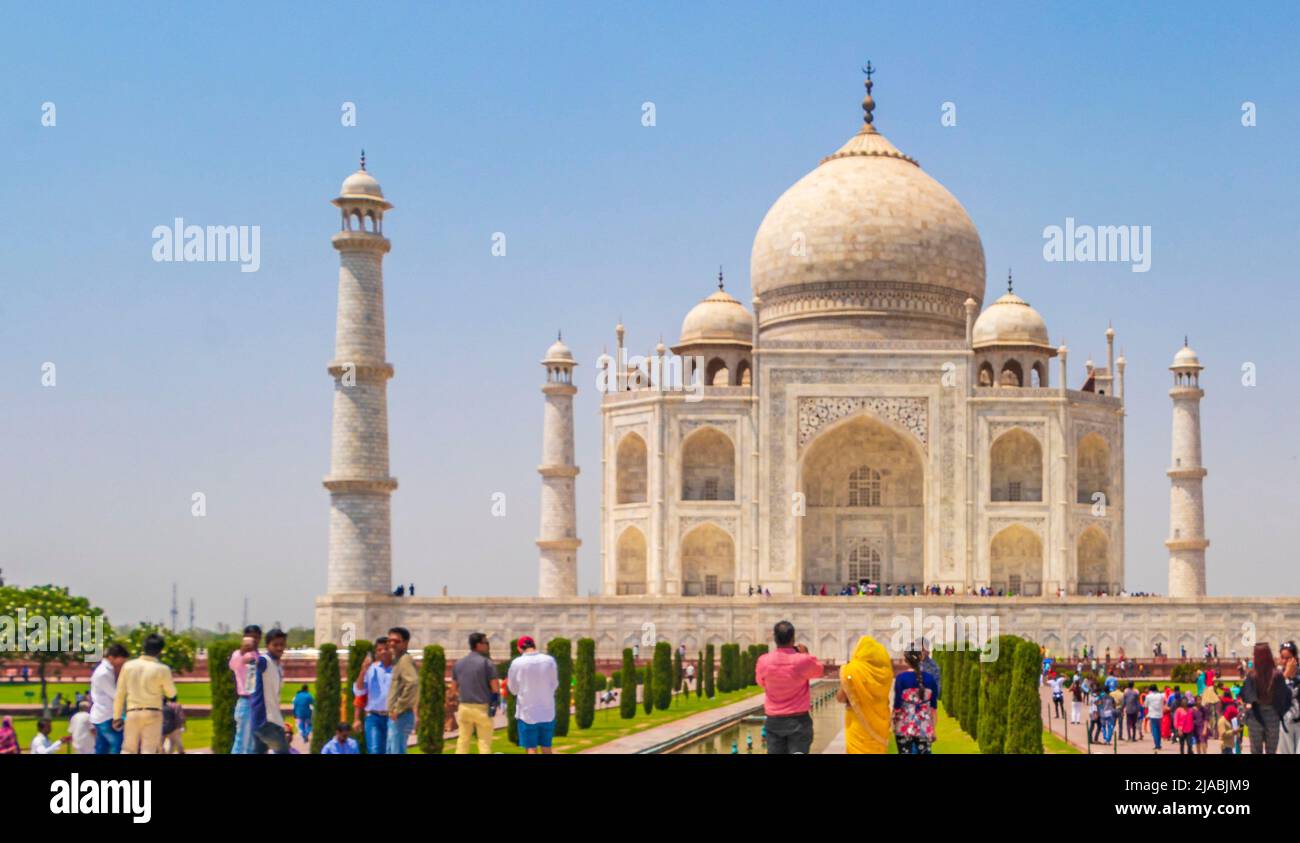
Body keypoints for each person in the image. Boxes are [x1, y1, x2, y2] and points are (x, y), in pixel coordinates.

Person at [754, 621, 823, 754]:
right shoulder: (802, 660)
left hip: (774, 721)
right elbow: (819, 670)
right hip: (799, 722)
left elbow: (761, 682)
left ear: (775, 639)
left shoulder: (764, 661)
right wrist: (805, 655)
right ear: (793, 638)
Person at [113, 633, 178, 754]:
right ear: (160, 651)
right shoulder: (162, 669)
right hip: (153, 712)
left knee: (128, 749)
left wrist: (117, 716)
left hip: (133, 712)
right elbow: (171, 693)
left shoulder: (128, 666)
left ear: (143, 648)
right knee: (149, 749)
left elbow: (120, 694)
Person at [836, 635, 892, 754]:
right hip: (880, 723)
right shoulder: (885, 674)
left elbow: (840, 698)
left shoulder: (852, 670)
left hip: (857, 723)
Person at [507, 635, 559, 754]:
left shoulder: (517, 663)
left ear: (520, 649)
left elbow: (513, 689)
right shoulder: (549, 660)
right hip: (547, 711)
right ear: (534, 645)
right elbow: (554, 684)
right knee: (547, 748)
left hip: (527, 712)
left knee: (531, 748)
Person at [1240, 641, 1293, 754]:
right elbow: (1285, 695)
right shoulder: (1277, 675)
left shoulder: (1252, 675)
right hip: (1272, 716)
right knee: (1271, 750)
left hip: (1255, 715)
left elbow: (1246, 695)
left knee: (1255, 751)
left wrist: (1250, 703)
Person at [452, 632, 499, 754]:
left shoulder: (459, 663)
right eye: (486, 643)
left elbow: (453, 688)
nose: (487, 645)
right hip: (481, 708)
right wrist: (494, 702)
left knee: (463, 740)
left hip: (464, 707)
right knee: (484, 742)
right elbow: (495, 687)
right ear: (478, 645)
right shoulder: (486, 663)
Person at [250, 628, 291, 754]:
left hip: (266, 720)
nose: (279, 648)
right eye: (275, 645)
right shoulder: (265, 661)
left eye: (282, 644)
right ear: (267, 645)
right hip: (266, 721)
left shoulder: (278, 666)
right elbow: (256, 661)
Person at [892, 646, 939, 754]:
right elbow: (933, 708)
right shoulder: (930, 679)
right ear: (921, 658)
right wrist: (933, 729)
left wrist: (893, 723)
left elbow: (897, 706)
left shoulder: (901, 678)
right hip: (924, 726)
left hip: (904, 726)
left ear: (906, 660)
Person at [353, 637, 393, 753]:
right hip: (373, 717)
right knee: (375, 750)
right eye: (379, 650)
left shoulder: (398, 669)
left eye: (386, 649)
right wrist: (362, 671)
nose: (383, 652)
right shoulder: (370, 669)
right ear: (376, 653)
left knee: (391, 750)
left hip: (393, 717)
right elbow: (359, 691)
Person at [90, 642, 129, 754]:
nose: (122, 665)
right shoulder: (104, 673)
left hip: (102, 715)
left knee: (102, 749)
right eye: (120, 662)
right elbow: (116, 695)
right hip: (107, 716)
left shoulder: (107, 671)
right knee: (116, 746)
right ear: (111, 658)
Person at [385, 627, 419, 754]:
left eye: (396, 641)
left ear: (405, 643)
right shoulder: (397, 660)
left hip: (401, 716)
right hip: (397, 716)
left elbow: (412, 683)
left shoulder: (405, 660)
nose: (392, 643)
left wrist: (398, 708)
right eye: (390, 641)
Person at [229, 626, 261, 753]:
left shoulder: (259, 656)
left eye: (256, 637)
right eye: (251, 637)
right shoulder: (239, 654)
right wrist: (242, 652)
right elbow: (233, 665)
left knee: (252, 743)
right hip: (246, 701)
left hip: (257, 702)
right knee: (241, 741)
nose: (254, 640)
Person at [1278, 640, 1300, 755]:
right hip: (1285, 724)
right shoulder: (1278, 676)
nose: (1285, 661)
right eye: (1283, 657)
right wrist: (1286, 674)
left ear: (1295, 658)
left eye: (1288, 658)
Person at [1145, 683, 1165, 752]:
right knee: (1158, 729)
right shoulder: (1161, 695)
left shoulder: (1148, 696)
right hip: (1159, 714)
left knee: (1154, 730)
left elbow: (1145, 705)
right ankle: (1158, 744)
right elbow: (1162, 703)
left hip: (1152, 714)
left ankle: (1157, 745)